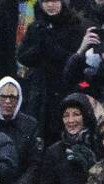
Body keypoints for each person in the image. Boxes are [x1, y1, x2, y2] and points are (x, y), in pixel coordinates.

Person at [17, 0, 86, 142]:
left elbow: (75, 59)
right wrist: (39, 47)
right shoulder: (36, 27)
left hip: (66, 87)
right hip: (40, 90)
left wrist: (49, 46)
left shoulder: (75, 26)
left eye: (54, 1)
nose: (50, 5)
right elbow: (22, 56)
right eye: (46, 1)